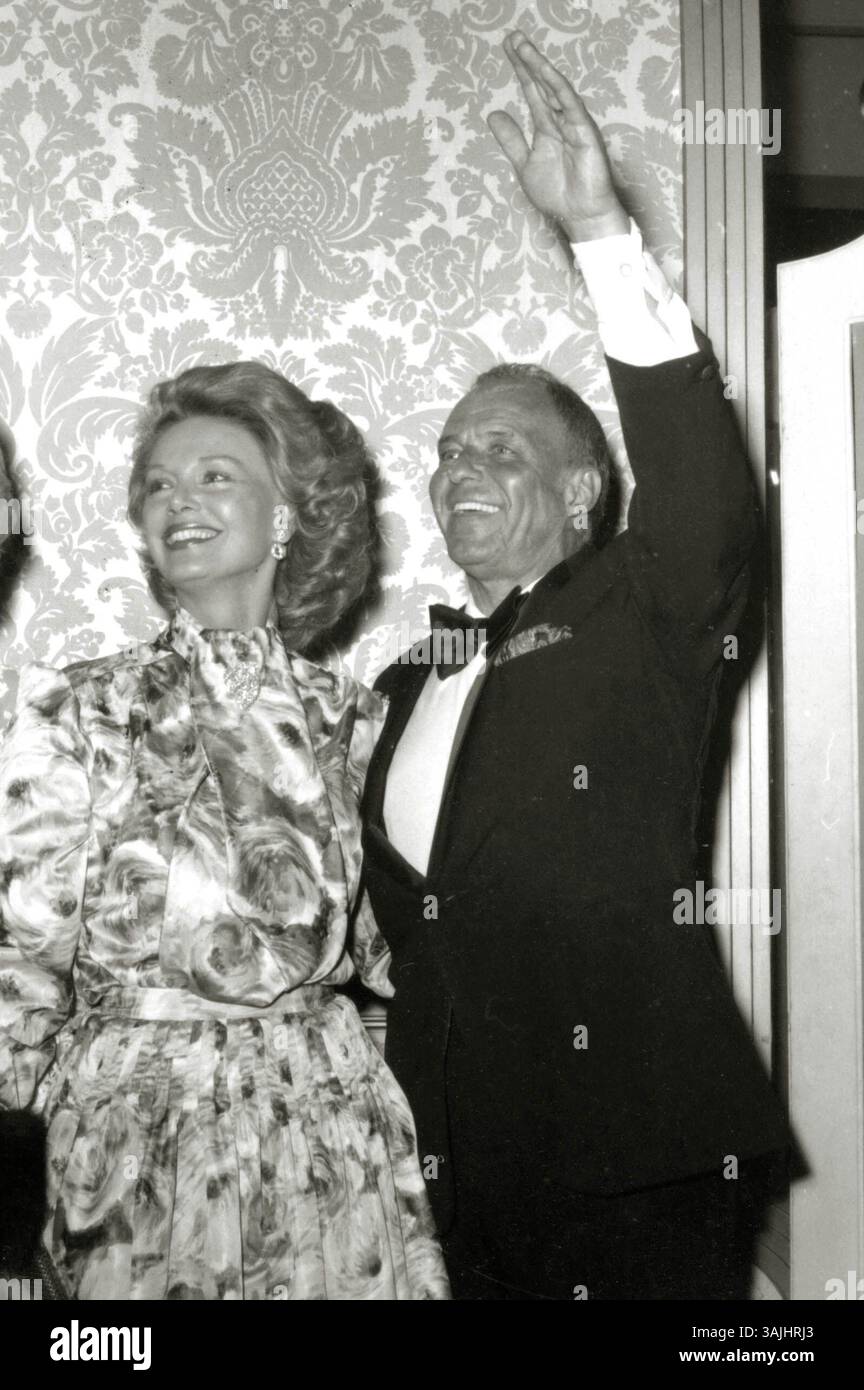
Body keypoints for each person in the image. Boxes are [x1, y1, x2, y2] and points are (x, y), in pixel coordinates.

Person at [361, 32, 789, 1300]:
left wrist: (599, 232)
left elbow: (709, 496)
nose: (461, 467)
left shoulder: (643, 613)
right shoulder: (403, 684)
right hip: (451, 1162)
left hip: (631, 1157)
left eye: (501, 450)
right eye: (450, 450)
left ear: (584, 493)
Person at [0, 361, 450, 1300]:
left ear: (287, 514)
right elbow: (19, 968)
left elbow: (406, 952)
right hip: (133, 1139)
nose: (179, 501)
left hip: (326, 1130)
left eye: (215, 475)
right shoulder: (79, 707)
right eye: (159, 484)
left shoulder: (358, 720)